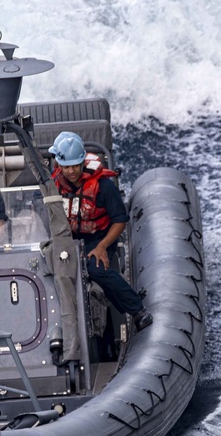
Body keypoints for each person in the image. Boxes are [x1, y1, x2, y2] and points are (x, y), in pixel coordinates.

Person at [49, 131, 153, 331]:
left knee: (95, 267)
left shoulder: (103, 186)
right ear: (59, 166)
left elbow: (120, 221)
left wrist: (102, 246)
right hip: (67, 238)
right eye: (66, 166)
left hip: (99, 237)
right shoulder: (53, 185)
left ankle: (138, 310)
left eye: (75, 166)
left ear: (82, 163)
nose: (70, 171)